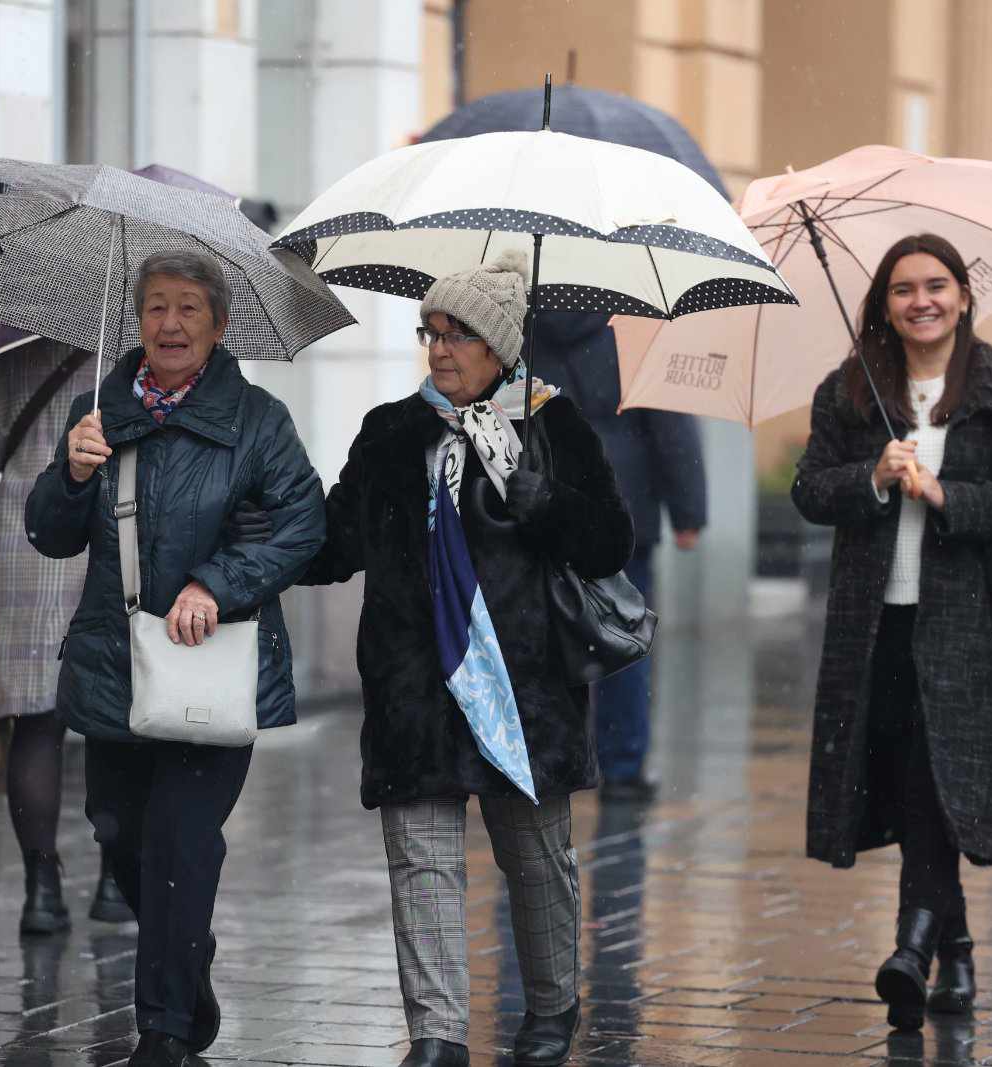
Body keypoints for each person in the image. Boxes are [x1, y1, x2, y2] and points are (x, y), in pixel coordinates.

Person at [301, 250, 634, 1067]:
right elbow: (336, 541)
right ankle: (439, 1034)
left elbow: (609, 542)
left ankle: (552, 1005)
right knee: (422, 862)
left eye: (460, 336)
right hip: (415, 684)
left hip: (522, 691)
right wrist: (260, 512)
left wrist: (544, 502)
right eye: (432, 332)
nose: (440, 350)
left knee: (536, 859)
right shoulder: (391, 431)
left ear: (502, 348)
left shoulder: (551, 424)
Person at [27, 249, 325, 1067]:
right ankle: (187, 970)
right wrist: (70, 472)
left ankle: (161, 1034)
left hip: (213, 670)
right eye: (156, 308)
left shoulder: (258, 421)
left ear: (219, 326)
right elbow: (48, 534)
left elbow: (303, 525)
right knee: (120, 836)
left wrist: (215, 584)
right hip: (116, 672)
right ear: (138, 322)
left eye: (189, 309)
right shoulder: (99, 414)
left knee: (179, 840)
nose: (170, 325)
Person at [792, 233, 992, 1032]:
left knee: (937, 788)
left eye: (936, 285)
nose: (921, 301)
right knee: (910, 781)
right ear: (885, 306)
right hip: (875, 627)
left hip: (968, 629)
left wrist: (947, 496)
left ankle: (912, 948)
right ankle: (958, 947)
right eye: (903, 290)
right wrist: (871, 476)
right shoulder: (852, 392)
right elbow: (808, 489)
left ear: (964, 295)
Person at [0, 337, 132, 935]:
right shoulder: (132, 362)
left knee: (35, 726)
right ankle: (115, 878)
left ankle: (42, 887)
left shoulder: (8, 366)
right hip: (109, 546)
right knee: (114, 725)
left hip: (26, 546)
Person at [534, 312, 706, 802]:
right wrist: (688, 511)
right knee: (623, 637)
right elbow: (669, 423)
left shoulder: (528, 326)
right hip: (622, 503)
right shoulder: (633, 333)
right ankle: (623, 767)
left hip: (547, 500)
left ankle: (543, 760)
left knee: (543, 638)